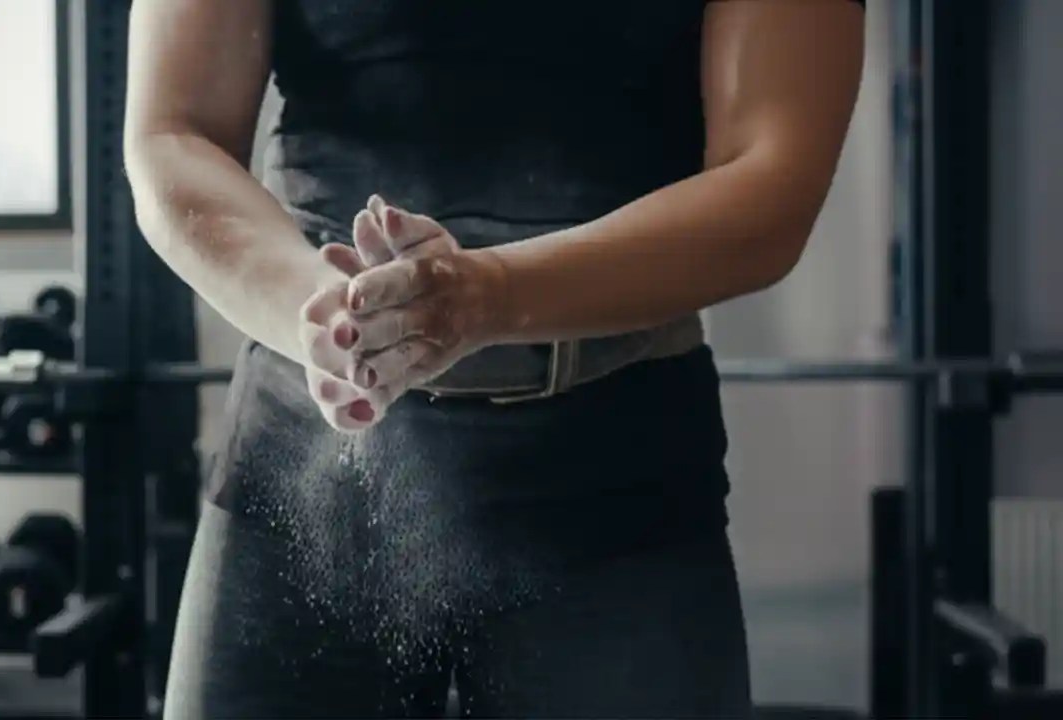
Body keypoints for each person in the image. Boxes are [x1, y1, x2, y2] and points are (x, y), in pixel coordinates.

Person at [124, 0, 866, 717]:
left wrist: (487, 295)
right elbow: (174, 131)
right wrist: (328, 320)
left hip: (614, 470)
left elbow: (771, 181)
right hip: (312, 463)